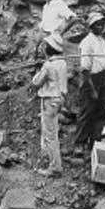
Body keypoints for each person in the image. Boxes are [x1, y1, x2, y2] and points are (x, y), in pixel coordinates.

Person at [74, 12, 105, 156]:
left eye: (102, 24)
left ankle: (94, 142)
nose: (100, 26)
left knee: (101, 112)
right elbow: (85, 69)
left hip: (103, 79)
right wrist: (92, 89)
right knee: (86, 111)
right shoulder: (87, 42)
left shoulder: (101, 42)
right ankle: (79, 143)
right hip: (90, 80)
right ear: (91, 26)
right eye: (97, 24)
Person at [32, 34, 68, 177]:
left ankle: (55, 168)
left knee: (50, 135)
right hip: (59, 99)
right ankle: (50, 157)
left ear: (50, 48)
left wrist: (38, 70)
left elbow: (36, 82)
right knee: (53, 130)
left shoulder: (48, 65)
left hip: (50, 100)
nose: (44, 47)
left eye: (46, 46)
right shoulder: (63, 63)